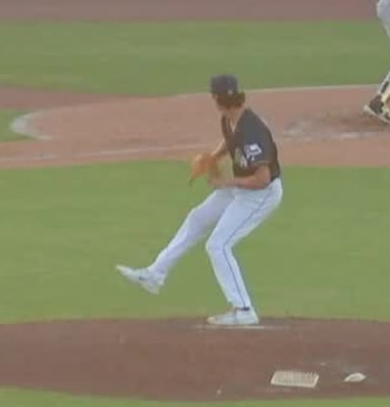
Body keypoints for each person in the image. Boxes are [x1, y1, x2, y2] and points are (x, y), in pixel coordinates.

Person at [115, 74, 283, 329]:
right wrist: (214, 157)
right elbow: (230, 142)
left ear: (216, 98)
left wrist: (226, 183)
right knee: (197, 218)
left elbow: (262, 179)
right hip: (243, 187)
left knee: (218, 245)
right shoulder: (232, 119)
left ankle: (244, 309)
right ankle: (154, 275)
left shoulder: (253, 131)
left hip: (261, 194)